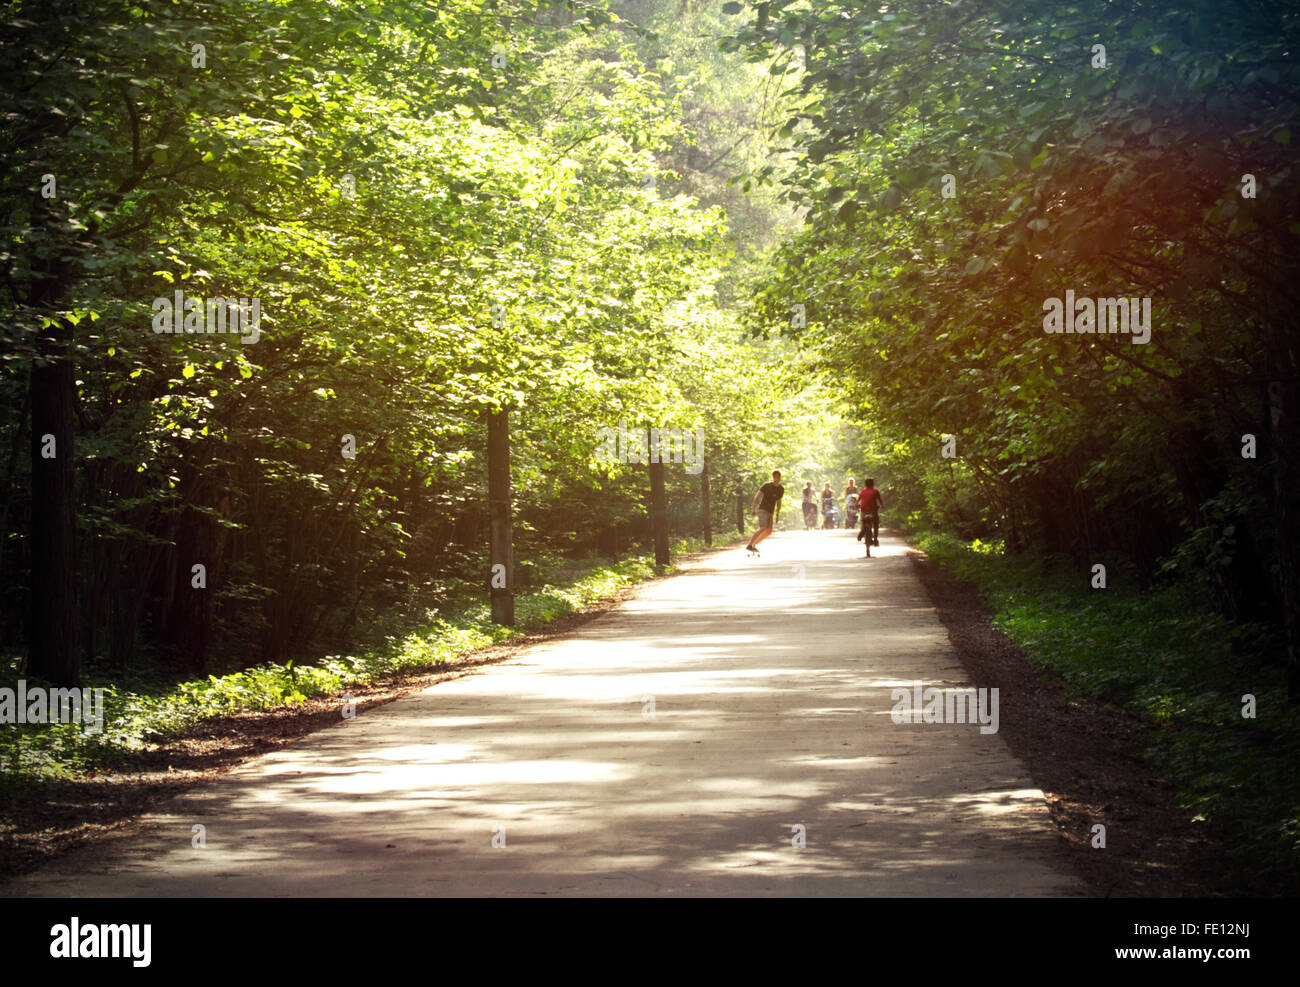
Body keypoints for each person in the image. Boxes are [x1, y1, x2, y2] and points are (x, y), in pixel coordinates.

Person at [746, 470, 784, 555]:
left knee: (769, 530)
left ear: (780, 478)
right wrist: (753, 508)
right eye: (775, 477)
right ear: (773, 477)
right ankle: (749, 544)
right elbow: (757, 496)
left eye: (778, 477)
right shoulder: (766, 486)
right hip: (763, 509)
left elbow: (779, 501)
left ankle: (754, 544)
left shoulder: (780, 489)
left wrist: (777, 514)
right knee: (763, 527)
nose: (776, 479)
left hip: (771, 511)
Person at [856, 478, 884, 555]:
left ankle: (861, 533)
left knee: (863, 522)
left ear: (865, 484)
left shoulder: (862, 492)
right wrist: (881, 506)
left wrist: (857, 505)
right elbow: (880, 501)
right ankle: (875, 540)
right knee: (875, 525)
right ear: (873, 484)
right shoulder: (876, 491)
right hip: (873, 511)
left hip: (864, 511)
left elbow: (857, 502)